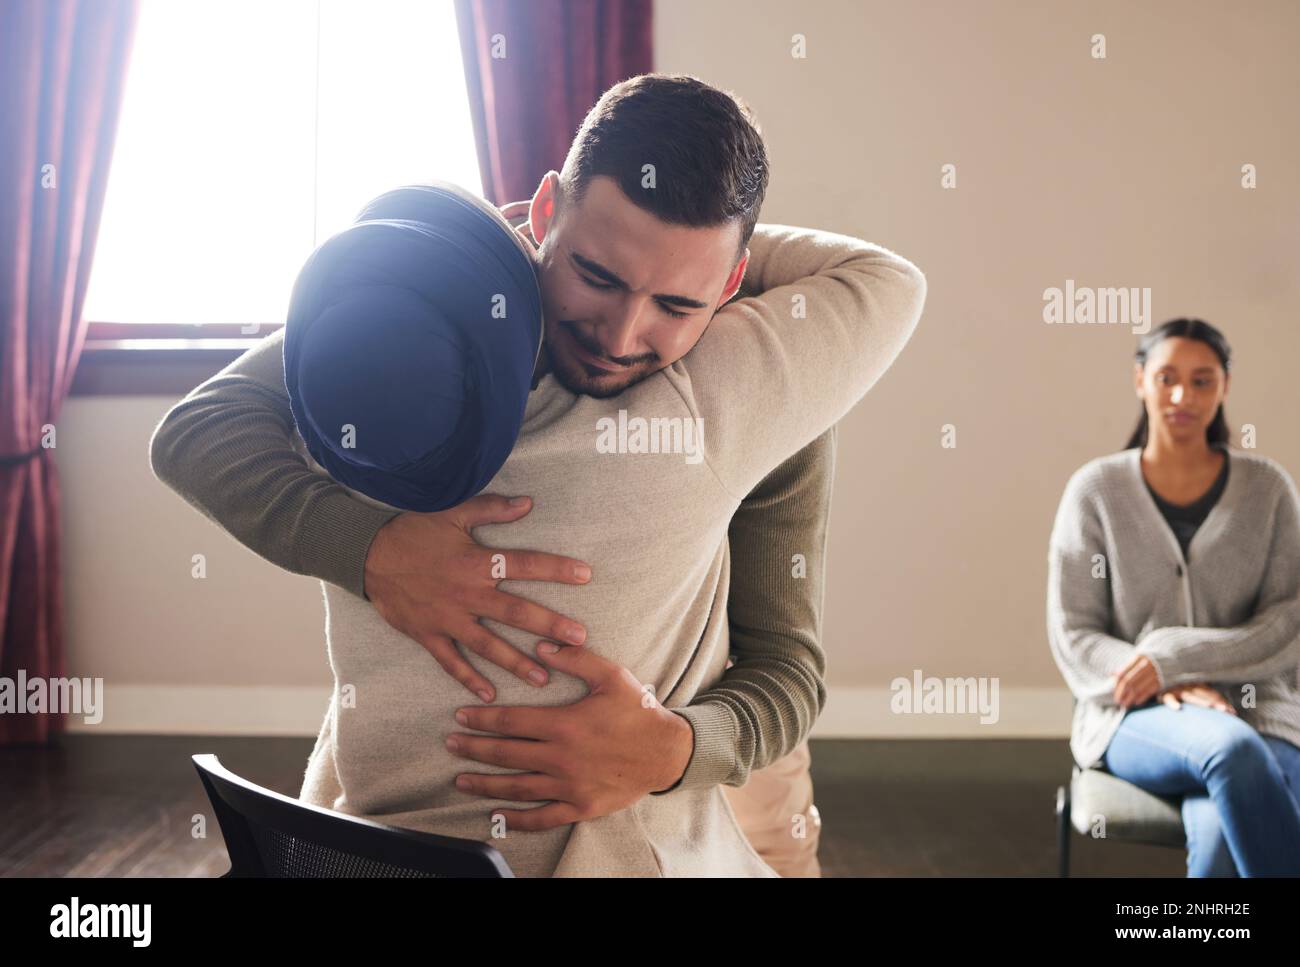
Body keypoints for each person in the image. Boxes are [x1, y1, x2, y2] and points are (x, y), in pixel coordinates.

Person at [151, 73, 926, 876]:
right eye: (597, 275)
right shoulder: (428, 323)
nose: (623, 335)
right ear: (543, 214)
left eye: (676, 302)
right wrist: (370, 547)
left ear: (732, 285)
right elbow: (198, 426)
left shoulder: (757, 393)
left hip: (692, 783)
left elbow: (788, 668)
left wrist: (677, 747)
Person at [1047, 317, 1300, 876]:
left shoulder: (1270, 490)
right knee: (1231, 753)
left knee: (1218, 838)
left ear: (1225, 387)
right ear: (1140, 381)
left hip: (1264, 711)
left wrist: (1173, 659)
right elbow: (1075, 633)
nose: (1183, 395)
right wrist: (1158, 678)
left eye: (1203, 380)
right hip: (1135, 713)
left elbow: (1291, 620)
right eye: (1167, 378)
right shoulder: (1096, 491)